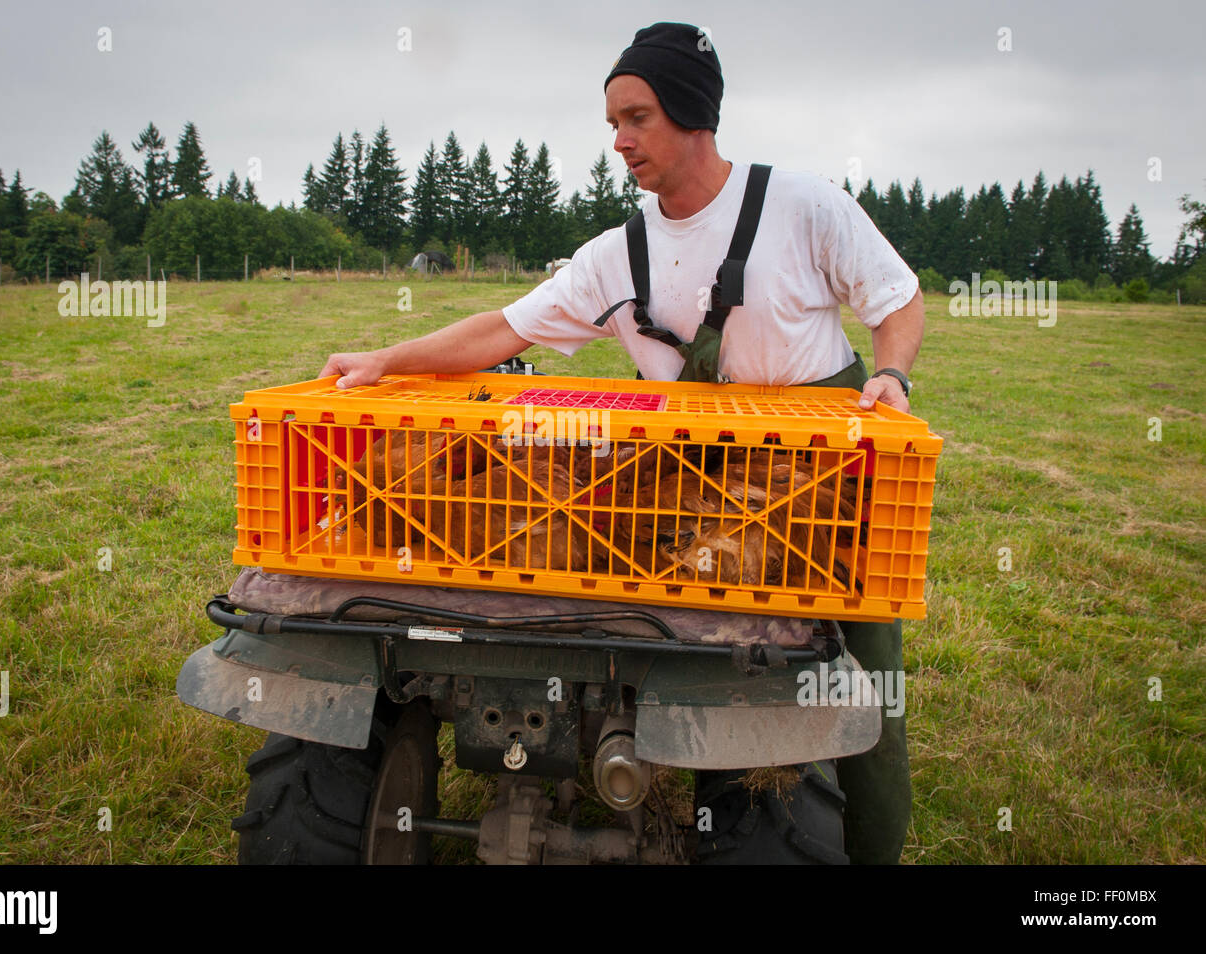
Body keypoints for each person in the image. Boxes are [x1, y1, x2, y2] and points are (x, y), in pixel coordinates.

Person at [320, 21, 924, 864]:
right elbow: (500, 331)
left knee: (863, 674)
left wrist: (891, 377)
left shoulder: (801, 206)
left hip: (811, 477)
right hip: (694, 469)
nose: (619, 141)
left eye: (637, 117)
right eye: (613, 121)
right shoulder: (618, 254)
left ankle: (870, 845)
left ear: (694, 115)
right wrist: (385, 359)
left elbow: (897, 299)